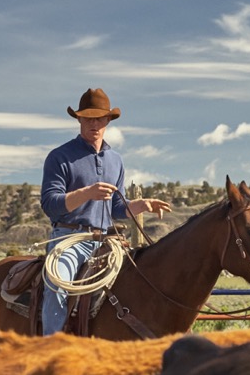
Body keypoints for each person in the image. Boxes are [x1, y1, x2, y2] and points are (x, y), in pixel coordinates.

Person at [38, 87, 172, 336]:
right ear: (78, 119)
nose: (94, 123)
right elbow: (50, 203)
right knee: (57, 285)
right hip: (68, 239)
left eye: (100, 118)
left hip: (107, 239)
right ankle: (51, 346)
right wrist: (87, 193)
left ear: (108, 121)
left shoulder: (115, 160)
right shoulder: (59, 157)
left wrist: (140, 206)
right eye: (88, 117)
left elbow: (117, 208)